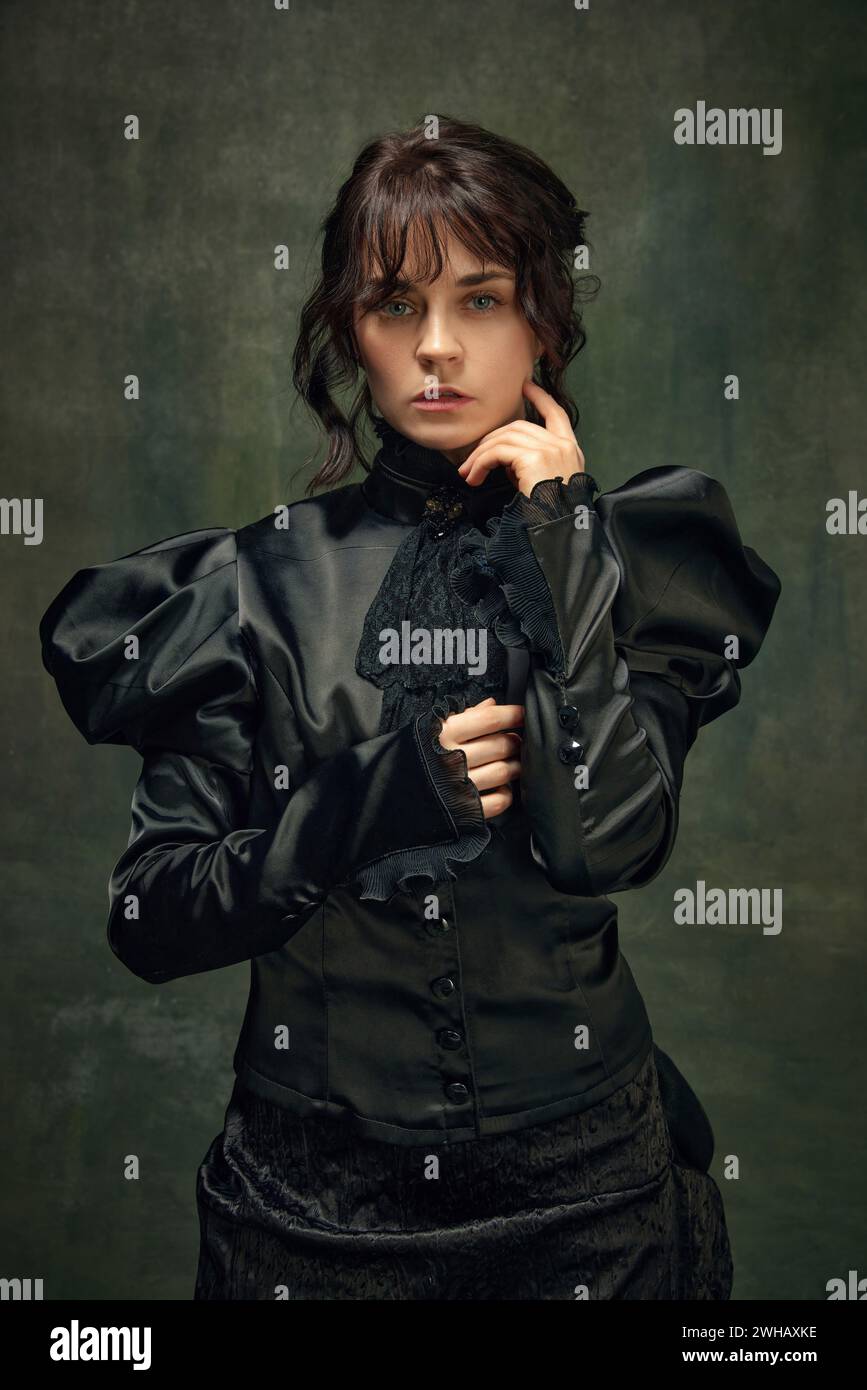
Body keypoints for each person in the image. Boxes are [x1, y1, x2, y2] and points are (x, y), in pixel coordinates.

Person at [38, 115, 781, 1300]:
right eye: (395, 307)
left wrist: (565, 540)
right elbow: (149, 916)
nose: (438, 348)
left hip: (592, 1200)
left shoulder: (634, 557)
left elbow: (616, 842)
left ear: (545, 319)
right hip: (310, 1217)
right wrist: (358, 803)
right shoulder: (250, 587)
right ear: (351, 334)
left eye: (482, 300)